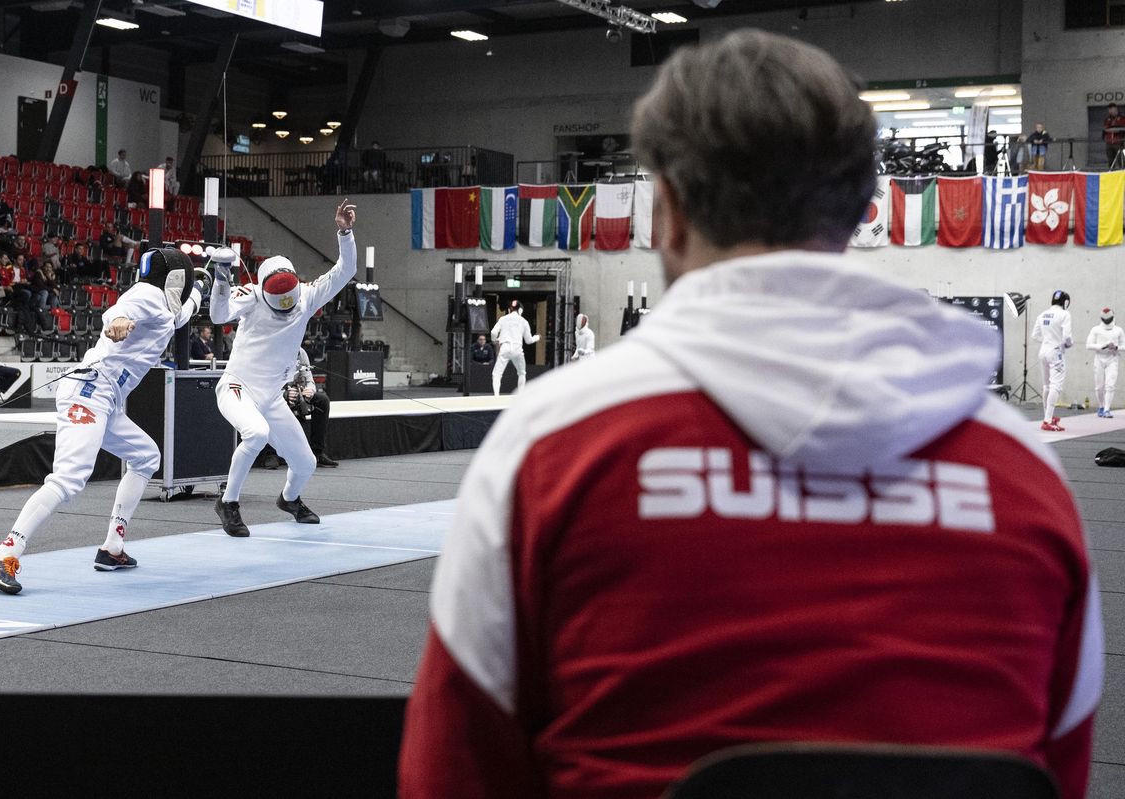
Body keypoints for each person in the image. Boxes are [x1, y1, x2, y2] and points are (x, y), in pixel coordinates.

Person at [399, 30, 1101, 799]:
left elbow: (451, 775)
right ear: (861, 210)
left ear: (663, 211)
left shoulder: (553, 450)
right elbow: (1057, 776)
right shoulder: (1022, 475)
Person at [0, 248, 210, 594]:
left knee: (146, 456)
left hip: (106, 400)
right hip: (89, 392)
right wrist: (116, 324)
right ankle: (3, 556)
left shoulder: (163, 308)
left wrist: (203, 287)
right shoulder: (147, 294)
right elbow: (117, 314)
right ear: (175, 278)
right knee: (68, 480)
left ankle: (113, 548)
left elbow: (178, 317)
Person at [209, 199, 357, 538]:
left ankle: (289, 499)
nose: (286, 309)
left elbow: (345, 271)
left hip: (271, 397)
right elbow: (219, 316)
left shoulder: (306, 295)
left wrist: (345, 232)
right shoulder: (251, 295)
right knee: (256, 434)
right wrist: (220, 280)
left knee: (306, 463)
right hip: (237, 388)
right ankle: (228, 503)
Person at [288, 347, 337, 468]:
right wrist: (284, 393)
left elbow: (309, 379)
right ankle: (270, 453)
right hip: (276, 393)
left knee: (322, 401)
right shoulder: (270, 348)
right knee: (271, 403)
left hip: (298, 391)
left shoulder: (300, 352)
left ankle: (317, 452)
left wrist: (309, 390)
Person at [1033, 290, 1074, 431]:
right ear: (1065, 302)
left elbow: (1035, 335)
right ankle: (1048, 420)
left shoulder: (1042, 314)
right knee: (1055, 386)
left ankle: (1047, 417)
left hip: (1043, 351)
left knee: (1046, 386)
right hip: (1056, 352)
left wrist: (1047, 340)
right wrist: (1068, 344)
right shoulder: (1065, 314)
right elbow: (1067, 337)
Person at [490, 299, 539, 396]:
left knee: (497, 374)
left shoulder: (503, 319)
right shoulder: (524, 321)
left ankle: (496, 396)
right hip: (517, 349)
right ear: (520, 310)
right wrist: (537, 337)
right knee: (522, 373)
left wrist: (494, 340)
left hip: (505, 347)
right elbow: (528, 341)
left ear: (509, 310)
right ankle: (520, 396)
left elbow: (493, 332)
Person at [1086, 306, 1125, 418]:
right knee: (1099, 387)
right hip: (1099, 359)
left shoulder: (1118, 330)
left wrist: (1116, 347)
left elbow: (1124, 345)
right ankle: (1101, 406)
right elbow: (1088, 345)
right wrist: (1102, 346)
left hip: (1112, 359)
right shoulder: (1095, 329)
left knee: (1110, 385)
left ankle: (1107, 409)